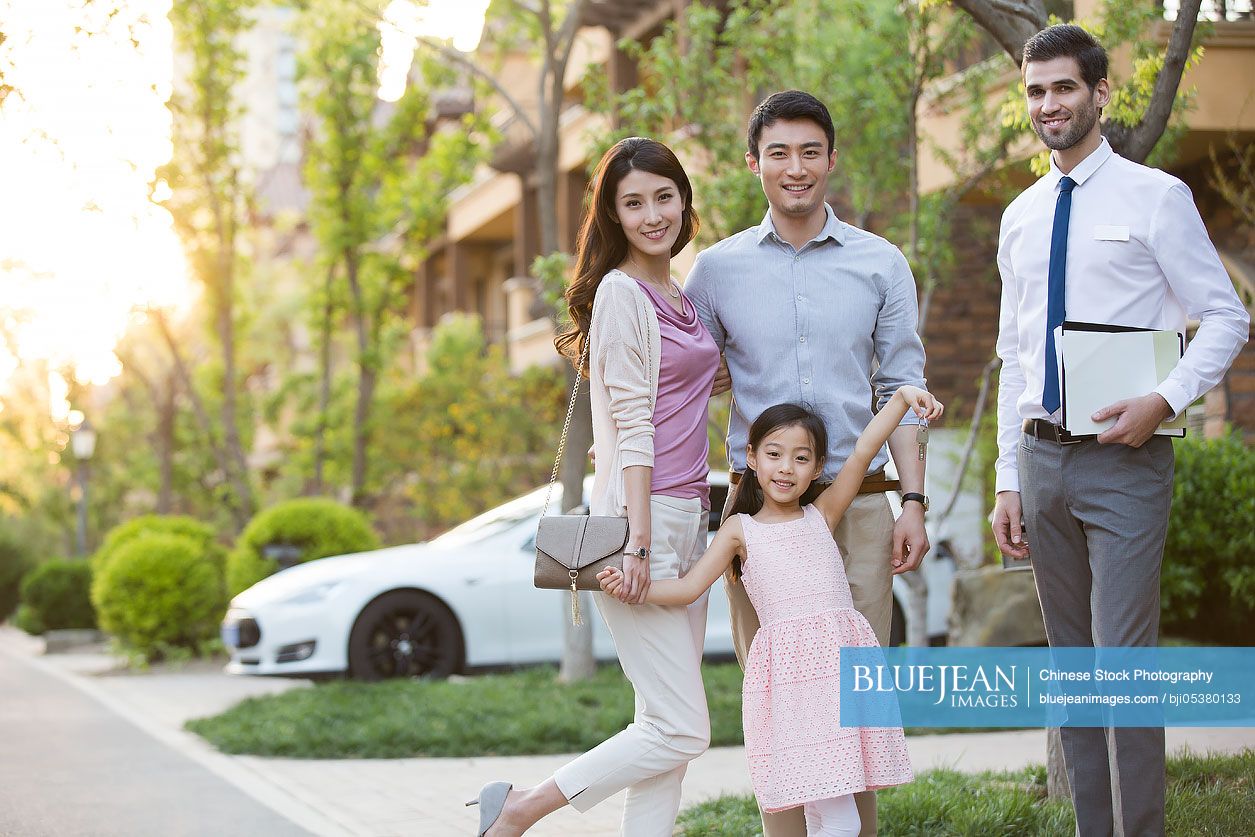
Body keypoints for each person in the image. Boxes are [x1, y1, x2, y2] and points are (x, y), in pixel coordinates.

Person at [990, 24, 1249, 837]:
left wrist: (1163, 401)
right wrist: (1005, 475)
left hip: (1124, 461)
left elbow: (1225, 317)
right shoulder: (1021, 215)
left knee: (1122, 666)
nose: (1048, 104)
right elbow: (1012, 354)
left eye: (1063, 87)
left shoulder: (1155, 196)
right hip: (1039, 460)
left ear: (1099, 94)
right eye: (1035, 90)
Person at [684, 89, 930, 837]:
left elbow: (901, 387)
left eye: (810, 151)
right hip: (756, 519)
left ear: (830, 159)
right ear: (753, 161)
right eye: (779, 152)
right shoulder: (715, 271)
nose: (796, 168)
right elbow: (688, 381)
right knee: (776, 700)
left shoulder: (879, 263)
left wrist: (912, 501)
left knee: (853, 700)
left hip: (854, 511)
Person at [466, 137, 720, 836]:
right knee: (681, 728)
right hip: (638, 522)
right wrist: (636, 544)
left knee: (662, 728)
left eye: (663, 197)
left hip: (686, 516)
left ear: (683, 200)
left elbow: (689, 387)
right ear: (612, 214)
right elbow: (633, 426)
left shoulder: (678, 294)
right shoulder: (619, 293)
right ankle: (520, 807)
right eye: (631, 202)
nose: (651, 215)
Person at [598, 391, 940, 836]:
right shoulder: (741, 530)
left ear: (817, 469)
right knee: (834, 814)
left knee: (832, 809)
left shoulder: (823, 514)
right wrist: (633, 590)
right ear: (752, 458)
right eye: (774, 454)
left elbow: (862, 451)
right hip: (792, 685)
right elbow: (687, 588)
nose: (786, 468)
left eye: (801, 459)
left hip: (838, 676)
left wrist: (899, 400)